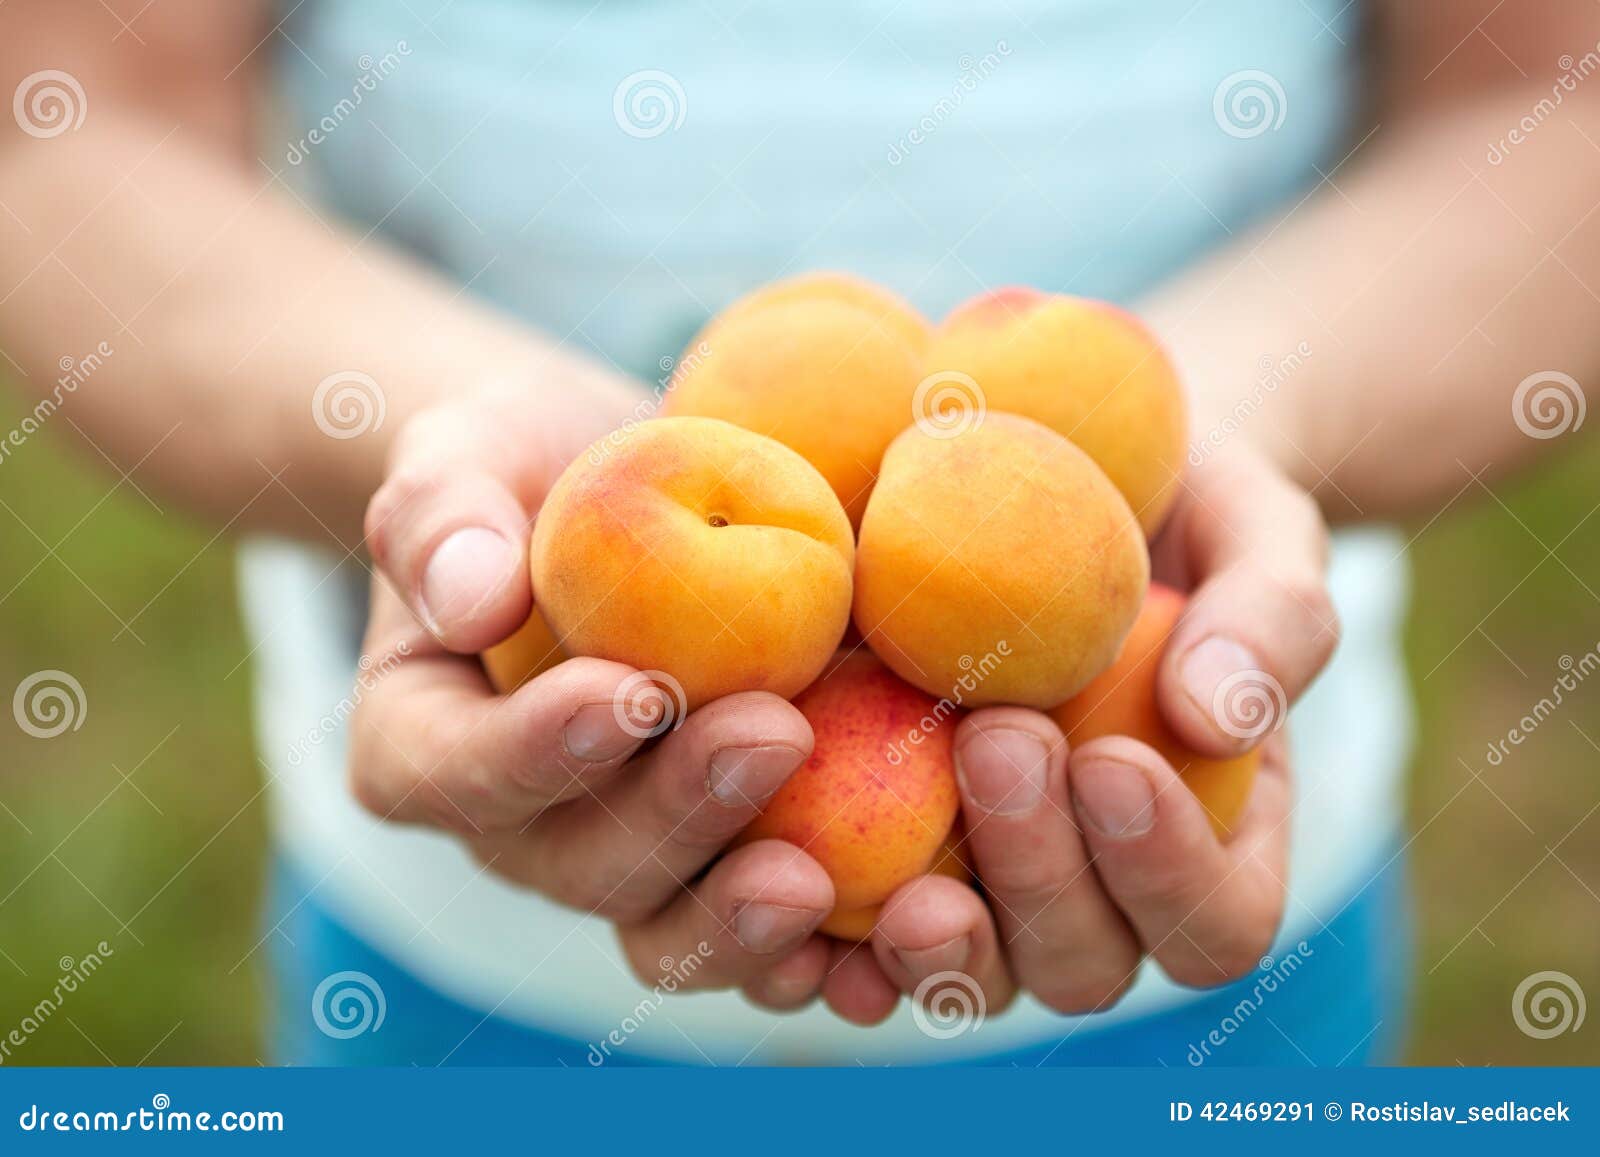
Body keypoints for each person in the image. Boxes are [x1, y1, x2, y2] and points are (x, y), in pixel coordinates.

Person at [1, 1, 1591, 1066]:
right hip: (449, 961)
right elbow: (65, 121)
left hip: (1209, 953)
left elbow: (1549, 104)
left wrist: (1241, 418)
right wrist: (452, 437)